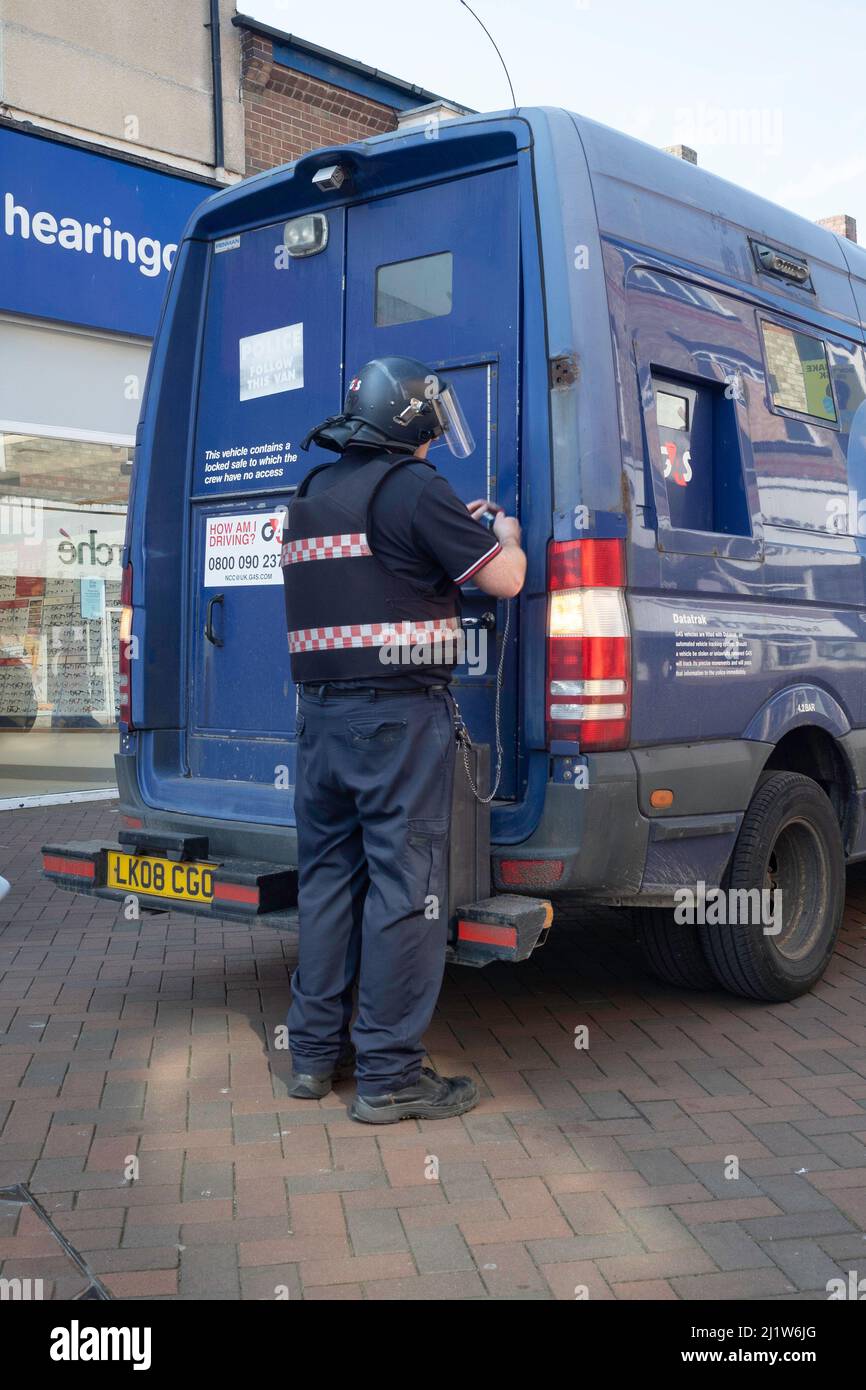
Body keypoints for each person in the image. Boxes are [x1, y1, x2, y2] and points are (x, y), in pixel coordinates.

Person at [281, 356, 526, 1123]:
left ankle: (313, 1060)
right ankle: (388, 1077)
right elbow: (506, 579)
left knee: (326, 883)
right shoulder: (417, 489)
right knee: (404, 887)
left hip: (318, 720)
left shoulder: (312, 493)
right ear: (416, 423)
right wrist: (505, 533)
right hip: (394, 722)